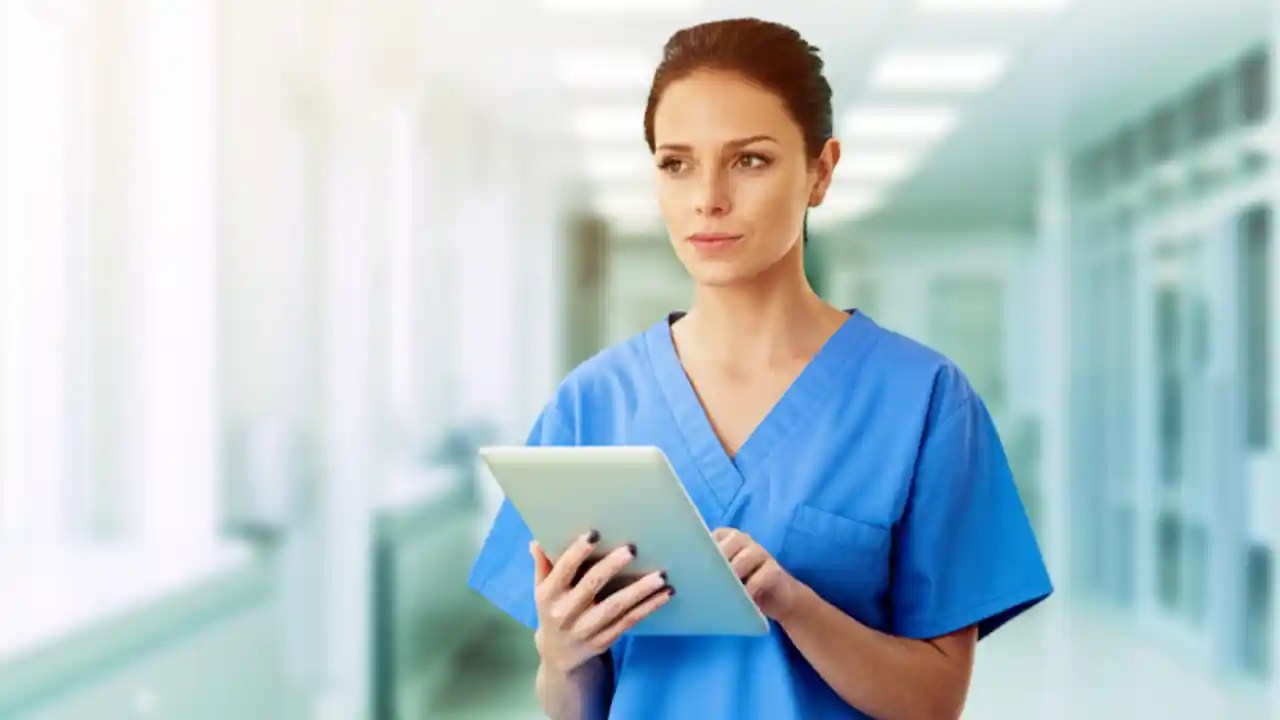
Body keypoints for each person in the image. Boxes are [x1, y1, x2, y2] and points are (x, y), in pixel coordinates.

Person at [467, 17, 1053, 720]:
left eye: (749, 160)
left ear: (820, 171)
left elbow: (933, 702)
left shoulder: (923, 401)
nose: (707, 197)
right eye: (676, 163)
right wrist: (564, 658)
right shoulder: (593, 404)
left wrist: (793, 604)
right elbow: (574, 707)